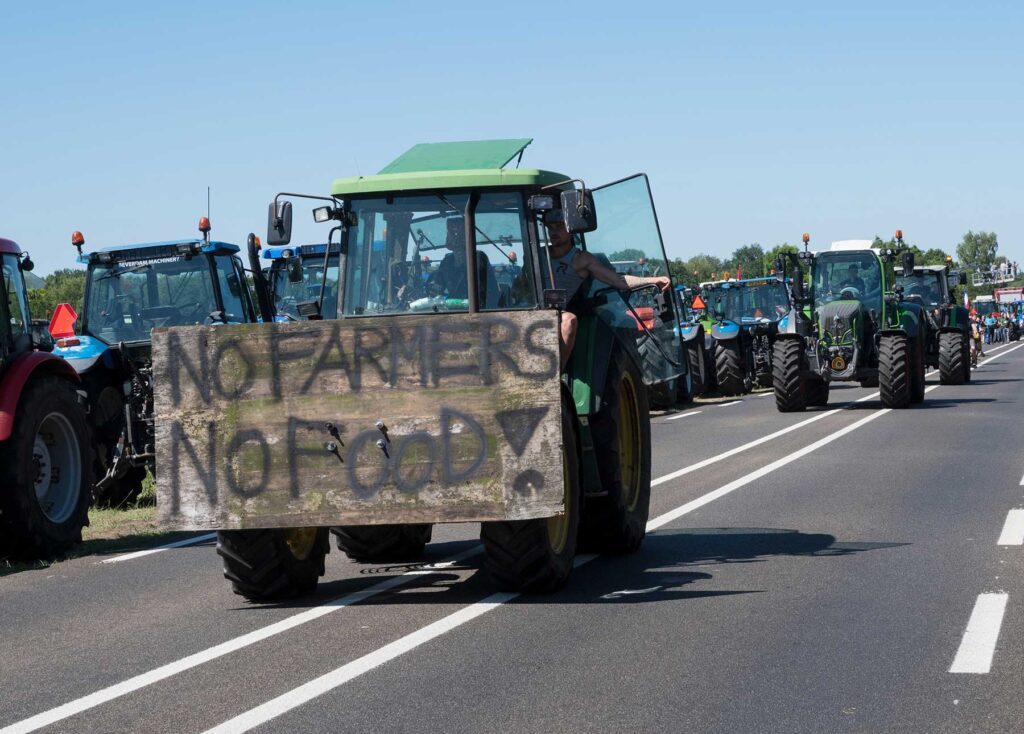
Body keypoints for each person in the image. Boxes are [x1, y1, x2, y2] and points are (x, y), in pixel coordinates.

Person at [543, 211, 669, 369]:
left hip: (557, 314)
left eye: (560, 226)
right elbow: (519, 287)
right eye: (550, 227)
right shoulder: (537, 255)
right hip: (531, 310)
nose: (554, 231)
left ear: (570, 229)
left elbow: (618, 280)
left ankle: (555, 376)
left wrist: (653, 280)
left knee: (569, 321)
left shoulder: (581, 259)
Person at [427, 217, 499, 308]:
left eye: (457, 232)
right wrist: (432, 288)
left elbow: (491, 294)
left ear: (466, 235)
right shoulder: (447, 261)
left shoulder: (479, 259)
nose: (454, 237)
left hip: (478, 313)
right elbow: (437, 289)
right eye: (450, 232)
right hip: (451, 313)